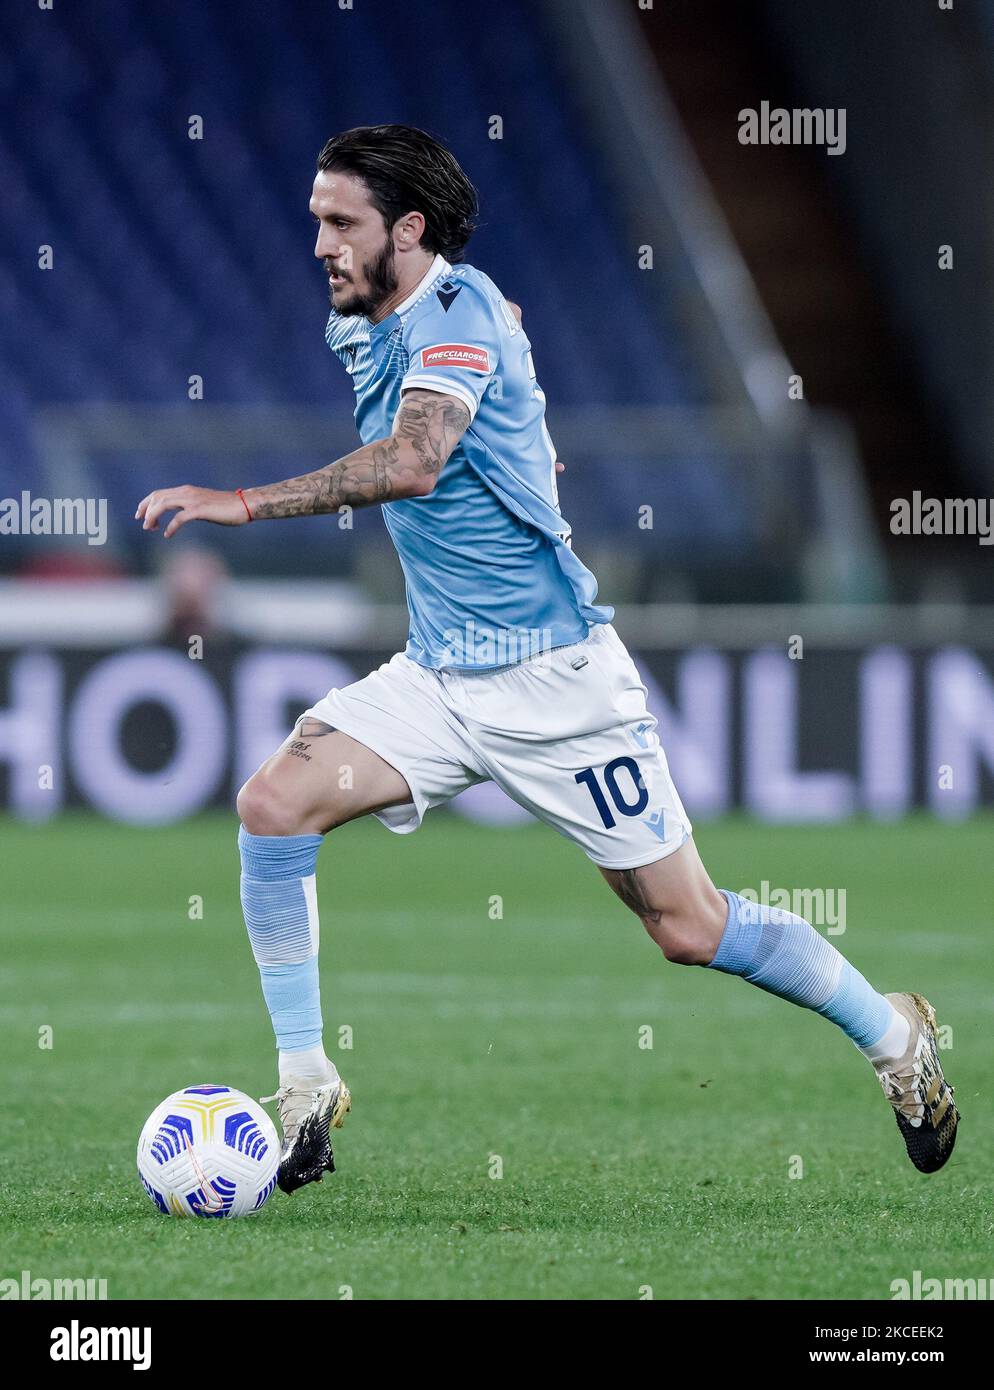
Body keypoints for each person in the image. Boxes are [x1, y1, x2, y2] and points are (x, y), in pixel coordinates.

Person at [137, 125, 958, 1193]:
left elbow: (420, 457)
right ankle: (304, 1082)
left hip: (556, 682)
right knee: (271, 804)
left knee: (686, 925)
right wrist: (519, 403)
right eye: (315, 223)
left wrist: (245, 502)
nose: (321, 245)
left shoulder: (456, 310)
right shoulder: (377, 320)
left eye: (340, 223)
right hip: (439, 676)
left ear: (410, 229)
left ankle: (893, 1035)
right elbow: (501, 336)